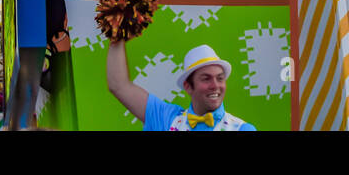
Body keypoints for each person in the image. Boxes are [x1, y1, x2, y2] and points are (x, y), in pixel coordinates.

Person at [107, 42, 255, 131]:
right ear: (188, 86)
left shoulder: (243, 128)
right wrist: (116, 37)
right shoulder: (166, 118)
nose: (215, 85)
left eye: (220, 78)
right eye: (206, 78)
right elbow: (118, 85)